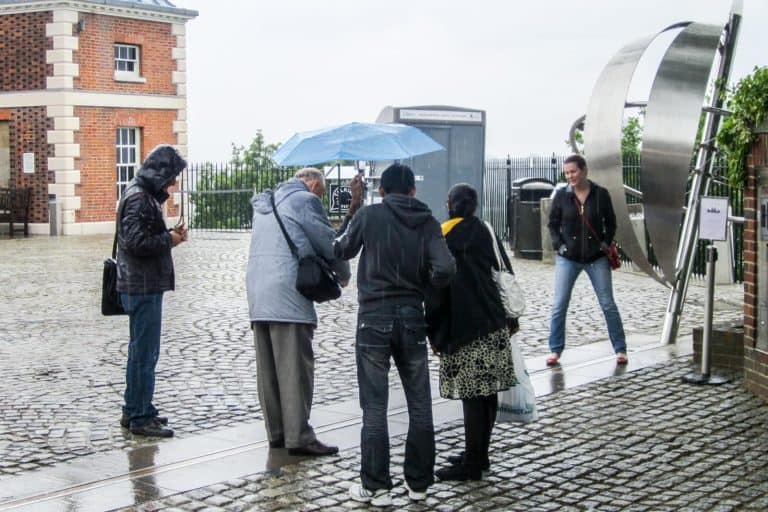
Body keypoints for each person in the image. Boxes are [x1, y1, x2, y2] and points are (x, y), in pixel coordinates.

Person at [335, 164, 456, 507]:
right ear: (412, 191)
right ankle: (418, 482)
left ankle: (375, 485)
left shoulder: (370, 216)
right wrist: (426, 284)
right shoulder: (428, 222)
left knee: (374, 407)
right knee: (419, 404)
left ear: (383, 191)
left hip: (373, 317)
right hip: (412, 317)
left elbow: (340, 249)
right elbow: (445, 268)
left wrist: (353, 207)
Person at [246, 167, 350, 456]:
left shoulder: (265, 204)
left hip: (258, 292)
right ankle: (299, 436)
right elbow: (327, 243)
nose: (321, 196)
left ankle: (277, 433)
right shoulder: (304, 201)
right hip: (287, 293)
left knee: (268, 369)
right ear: (314, 184)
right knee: (294, 368)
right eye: (322, 191)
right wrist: (343, 273)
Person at [425, 183, 518, 481]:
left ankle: (473, 463)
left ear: (449, 204)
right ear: (475, 206)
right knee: (486, 393)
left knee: (472, 398)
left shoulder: (442, 236)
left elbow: (437, 289)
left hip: (462, 325)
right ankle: (479, 453)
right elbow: (505, 271)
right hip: (492, 320)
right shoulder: (486, 230)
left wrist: (435, 333)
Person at [117, 144, 188, 437]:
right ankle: (139, 416)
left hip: (141, 283)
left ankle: (136, 407)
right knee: (144, 353)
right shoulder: (139, 198)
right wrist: (170, 239)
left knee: (141, 351)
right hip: (142, 285)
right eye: (171, 177)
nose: (173, 183)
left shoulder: (141, 194)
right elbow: (136, 243)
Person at [546, 154, 627, 366]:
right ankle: (555, 349)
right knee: (559, 304)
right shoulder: (562, 196)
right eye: (567, 173)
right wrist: (559, 246)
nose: (570, 176)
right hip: (568, 257)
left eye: (573, 171)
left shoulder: (601, 194)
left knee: (607, 303)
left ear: (584, 170)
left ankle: (620, 348)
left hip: (596, 257)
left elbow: (611, 223)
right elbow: (552, 224)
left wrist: (605, 243)